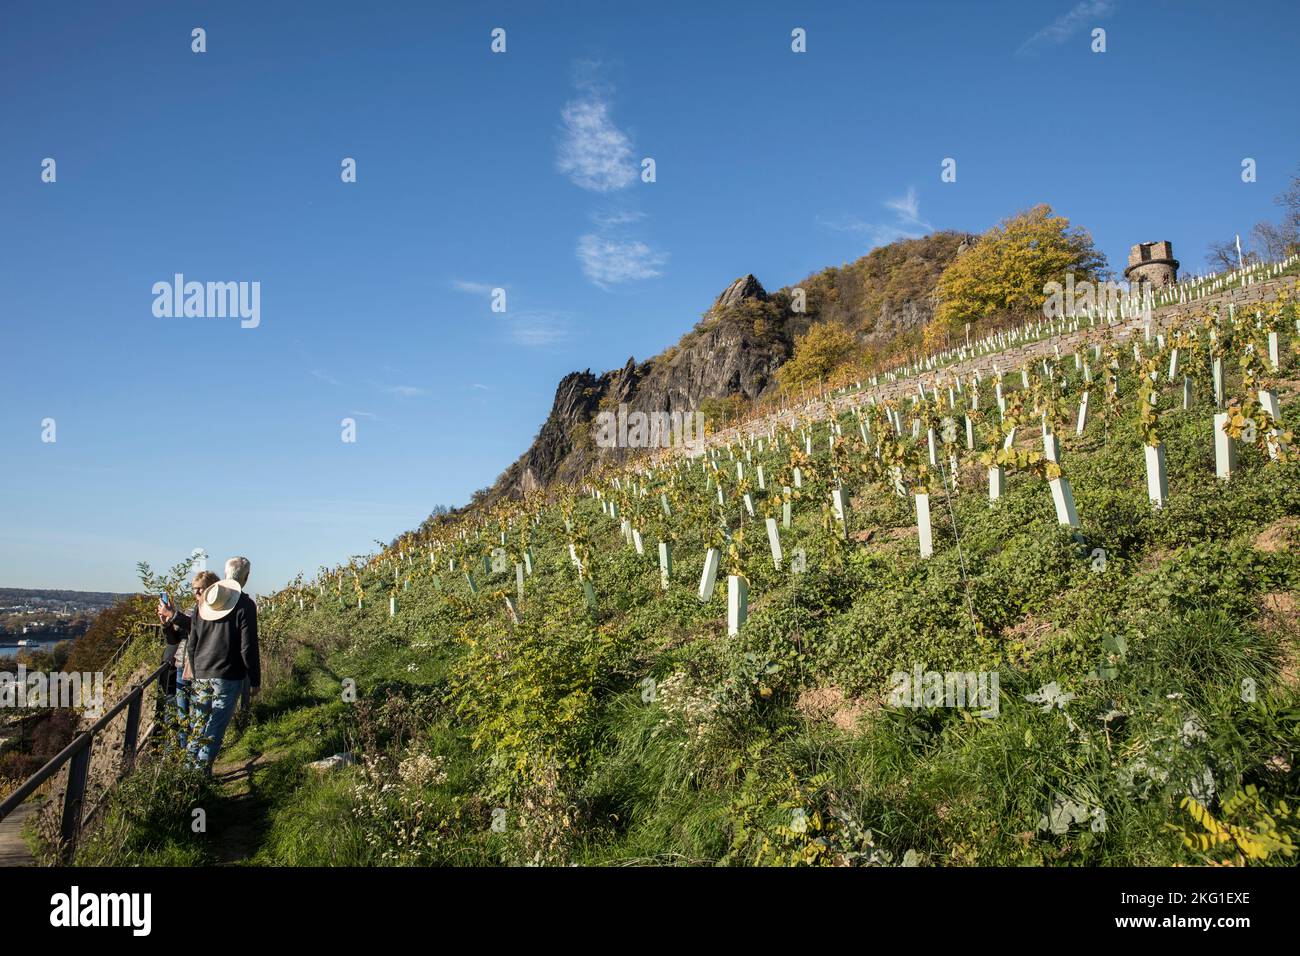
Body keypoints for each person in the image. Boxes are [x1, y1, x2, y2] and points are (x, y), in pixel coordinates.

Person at [185, 564, 260, 771]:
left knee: (198, 725)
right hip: (228, 674)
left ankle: (185, 774)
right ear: (247, 576)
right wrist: (254, 679)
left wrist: (197, 671)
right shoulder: (245, 605)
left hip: (202, 672)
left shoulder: (200, 607)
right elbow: (248, 647)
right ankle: (199, 777)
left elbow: (192, 646)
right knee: (215, 727)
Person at [158, 570, 219, 752]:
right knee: (182, 714)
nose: (197, 593)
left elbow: (197, 626)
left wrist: (174, 615)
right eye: (194, 589)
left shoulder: (214, 612)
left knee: (197, 715)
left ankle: (194, 754)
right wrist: (166, 623)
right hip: (181, 667)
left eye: (201, 589)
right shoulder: (190, 611)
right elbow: (174, 640)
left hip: (199, 669)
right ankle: (186, 752)